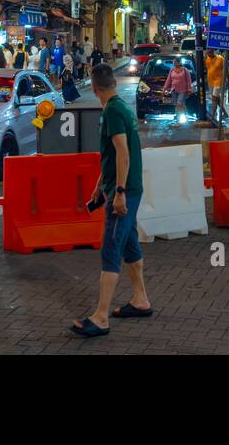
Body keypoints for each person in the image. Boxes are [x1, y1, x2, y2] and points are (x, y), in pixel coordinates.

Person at [71, 63, 150, 338]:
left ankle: (101, 316)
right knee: (129, 244)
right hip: (124, 186)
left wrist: (118, 192)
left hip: (125, 190)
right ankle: (140, 300)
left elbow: (123, 154)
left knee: (112, 248)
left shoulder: (114, 112)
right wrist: (100, 185)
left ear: (94, 88)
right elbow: (112, 156)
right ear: (113, 83)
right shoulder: (120, 107)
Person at [162, 56, 193, 122]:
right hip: (174, 90)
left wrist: (189, 89)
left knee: (179, 103)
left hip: (183, 90)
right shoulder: (172, 70)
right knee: (177, 104)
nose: (174, 63)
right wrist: (165, 88)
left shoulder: (185, 70)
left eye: (175, 62)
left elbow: (188, 80)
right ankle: (180, 116)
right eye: (174, 62)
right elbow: (169, 80)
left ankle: (180, 118)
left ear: (179, 63)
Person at [205, 50, 226, 122]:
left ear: (213, 52)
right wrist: (205, 55)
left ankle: (213, 115)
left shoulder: (220, 59)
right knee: (217, 99)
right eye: (208, 53)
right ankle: (225, 113)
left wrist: (228, 80)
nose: (209, 54)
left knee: (214, 99)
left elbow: (226, 69)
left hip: (218, 81)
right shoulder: (207, 59)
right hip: (210, 82)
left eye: (210, 53)